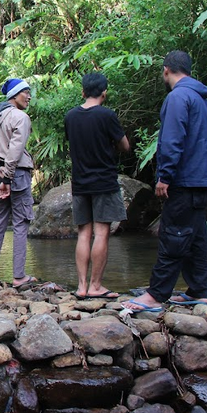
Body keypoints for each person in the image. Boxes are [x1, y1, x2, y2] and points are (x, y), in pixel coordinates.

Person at [122, 51, 207, 313]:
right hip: (203, 179)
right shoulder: (200, 98)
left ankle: (155, 295)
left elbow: (172, 140)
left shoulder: (178, 97)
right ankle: (200, 291)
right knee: (196, 236)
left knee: (173, 233)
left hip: (185, 179)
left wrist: (164, 176)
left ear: (166, 70)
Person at [64, 73, 130, 299]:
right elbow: (125, 146)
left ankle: (81, 287)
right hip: (104, 181)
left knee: (84, 233)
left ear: (82, 92)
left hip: (80, 182)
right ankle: (96, 286)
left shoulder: (70, 116)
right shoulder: (107, 115)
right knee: (101, 233)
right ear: (104, 93)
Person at [0, 78, 36, 288]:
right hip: (16, 176)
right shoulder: (21, 117)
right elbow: (15, 150)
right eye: (26, 92)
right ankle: (19, 276)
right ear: (15, 95)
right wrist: (7, 177)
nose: (29, 96)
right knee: (21, 223)